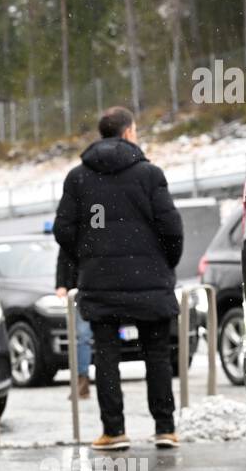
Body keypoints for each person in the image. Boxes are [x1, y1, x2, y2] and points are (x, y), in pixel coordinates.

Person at [53, 107, 183, 452]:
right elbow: (172, 228)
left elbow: (64, 229)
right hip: (149, 279)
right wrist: (163, 264)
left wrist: (88, 258)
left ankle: (114, 430)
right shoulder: (150, 174)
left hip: (100, 281)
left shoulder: (78, 178)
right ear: (127, 133)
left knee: (106, 355)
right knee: (157, 354)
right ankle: (165, 428)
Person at [55, 247, 92, 400]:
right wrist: (61, 284)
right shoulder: (74, 228)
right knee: (80, 337)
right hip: (77, 289)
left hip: (91, 286)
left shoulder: (97, 224)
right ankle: (82, 381)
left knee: (85, 337)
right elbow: (63, 255)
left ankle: (107, 381)